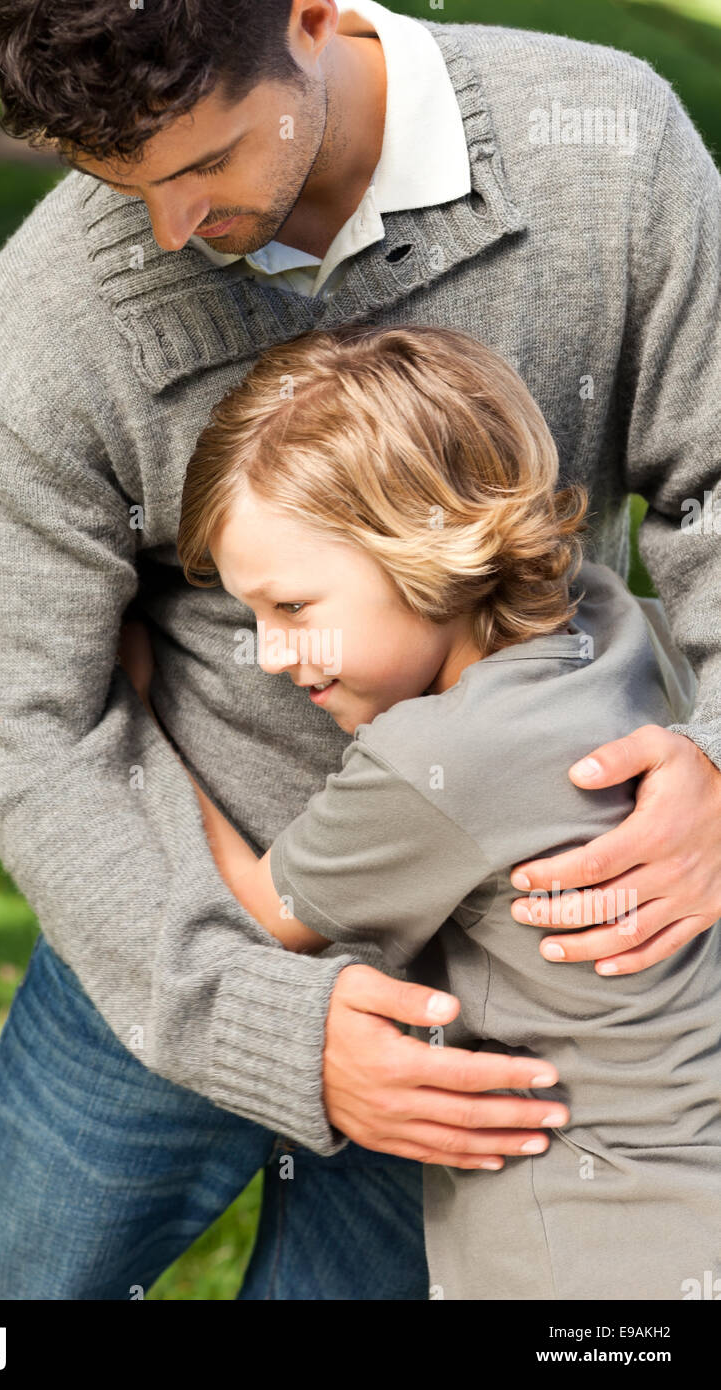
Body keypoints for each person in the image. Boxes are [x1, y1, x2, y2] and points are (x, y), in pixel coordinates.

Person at [0, 0, 721, 1299]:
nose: (163, 231)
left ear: (310, 15)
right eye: (116, 182)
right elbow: (30, 736)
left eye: (201, 165)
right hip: (164, 934)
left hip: (472, 980)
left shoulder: (613, 149)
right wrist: (254, 1019)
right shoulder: (46, 327)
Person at [130, 321, 714, 1300]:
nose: (270, 656)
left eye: (292, 607)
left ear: (425, 549)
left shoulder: (437, 759)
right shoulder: (605, 616)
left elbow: (260, 908)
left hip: (582, 1245)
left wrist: (142, 729)